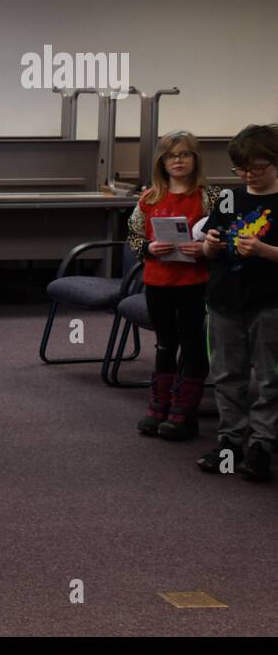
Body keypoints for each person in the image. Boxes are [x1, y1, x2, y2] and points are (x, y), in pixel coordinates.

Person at [125, 132, 220, 439]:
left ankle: (184, 414)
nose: (177, 160)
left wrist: (205, 249)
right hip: (158, 281)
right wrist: (150, 248)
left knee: (192, 345)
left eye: (184, 154)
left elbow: (225, 237)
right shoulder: (150, 197)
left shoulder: (210, 197)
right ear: (161, 163)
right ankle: (159, 407)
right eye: (170, 156)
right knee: (165, 343)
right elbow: (134, 235)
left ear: (195, 159)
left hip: (194, 282)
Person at [197, 124, 278, 482]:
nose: (248, 176)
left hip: (269, 302)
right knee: (228, 375)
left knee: (270, 377)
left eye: (257, 169)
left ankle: (262, 446)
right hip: (225, 299)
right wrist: (210, 246)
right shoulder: (228, 198)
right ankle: (230, 444)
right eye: (241, 170)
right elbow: (205, 249)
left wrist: (263, 250)